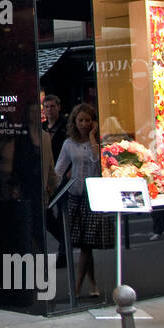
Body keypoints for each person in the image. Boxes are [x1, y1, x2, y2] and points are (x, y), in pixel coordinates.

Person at [54, 102, 113, 299]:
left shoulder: (96, 142)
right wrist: (51, 188)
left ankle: (77, 287)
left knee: (87, 244)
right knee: (80, 242)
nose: (84, 124)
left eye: (87, 120)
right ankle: (93, 284)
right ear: (74, 121)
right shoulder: (68, 143)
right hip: (75, 195)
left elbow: (97, 160)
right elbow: (59, 168)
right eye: (80, 120)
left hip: (93, 196)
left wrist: (92, 137)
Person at [42, 94, 69, 161]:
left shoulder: (67, 125)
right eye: (46, 107)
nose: (49, 109)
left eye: (52, 106)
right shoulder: (42, 127)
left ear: (58, 107)